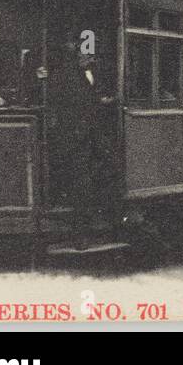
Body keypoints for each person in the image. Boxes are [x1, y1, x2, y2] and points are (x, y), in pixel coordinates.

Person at [44, 33, 116, 249]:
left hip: (94, 137)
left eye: (91, 55)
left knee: (101, 178)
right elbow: (63, 105)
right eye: (85, 54)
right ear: (75, 54)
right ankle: (81, 235)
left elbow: (98, 97)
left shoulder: (95, 73)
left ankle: (102, 225)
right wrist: (98, 102)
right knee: (79, 186)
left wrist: (104, 101)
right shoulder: (62, 76)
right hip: (73, 138)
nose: (89, 59)